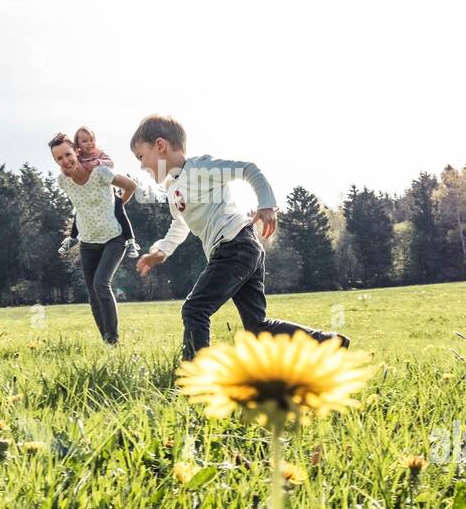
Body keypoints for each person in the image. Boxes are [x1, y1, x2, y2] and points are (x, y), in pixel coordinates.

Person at [128, 113, 349, 360]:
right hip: (239, 249)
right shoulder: (172, 189)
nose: (141, 165)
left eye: (141, 156)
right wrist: (162, 251)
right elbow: (180, 225)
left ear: (160, 146)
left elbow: (248, 169)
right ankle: (329, 343)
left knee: (195, 309)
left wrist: (266, 204)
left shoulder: (200, 168)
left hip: (235, 246)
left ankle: (194, 375)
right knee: (257, 327)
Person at [49, 133, 137, 344]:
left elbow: (131, 186)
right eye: (59, 158)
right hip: (88, 242)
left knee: (101, 284)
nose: (65, 161)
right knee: (93, 295)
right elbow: (80, 208)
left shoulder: (100, 173)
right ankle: (108, 344)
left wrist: (117, 206)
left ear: (77, 152)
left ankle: (113, 338)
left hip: (114, 238)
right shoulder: (63, 182)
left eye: (68, 154)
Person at [58, 125, 140, 259]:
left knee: (120, 210)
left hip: (107, 195)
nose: (89, 144)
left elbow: (111, 163)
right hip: (87, 196)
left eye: (91, 140)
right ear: (77, 146)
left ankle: (131, 241)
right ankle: (72, 238)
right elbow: (68, 168)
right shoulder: (76, 158)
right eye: (84, 141)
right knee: (80, 211)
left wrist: (97, 162)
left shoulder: (98, 153)